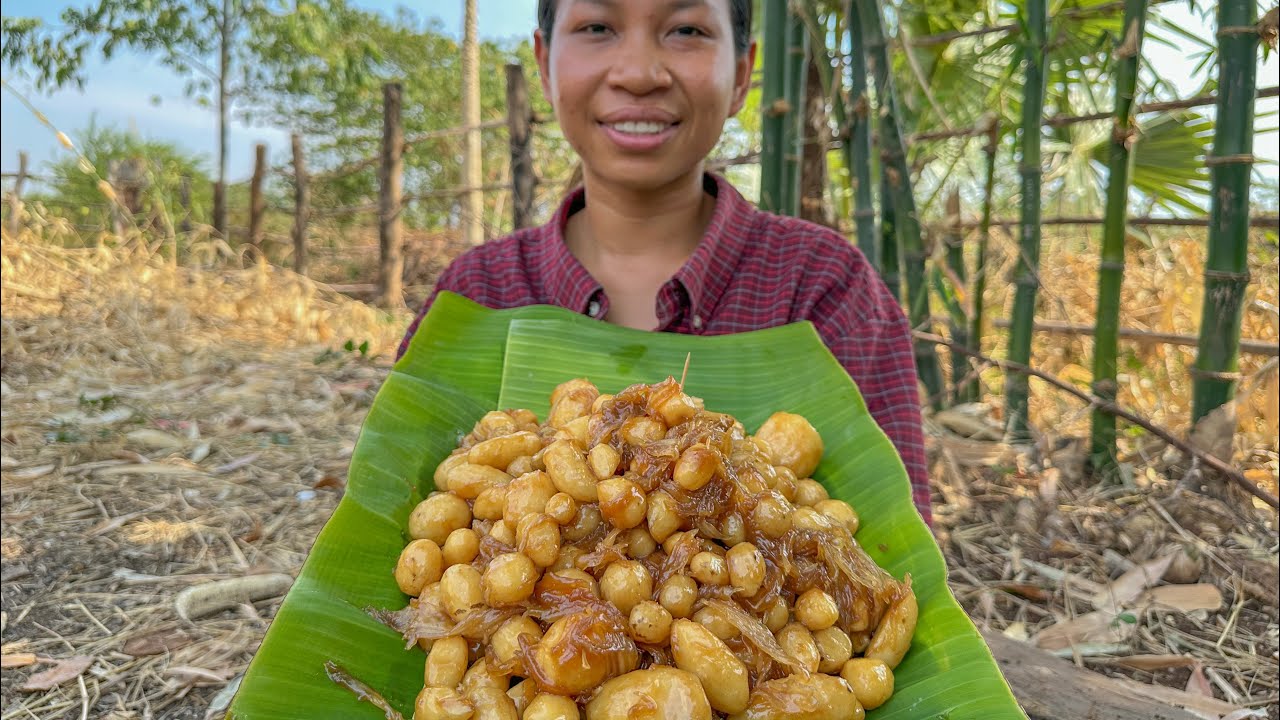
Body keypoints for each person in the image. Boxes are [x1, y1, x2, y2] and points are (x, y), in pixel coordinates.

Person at [397, 0, 931, 524]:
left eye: (687, 31)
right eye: (598, 25)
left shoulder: (827, 290)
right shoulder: (476, 292)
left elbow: (895, 567)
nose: (638, 73)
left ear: (742, 73)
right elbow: (399, 519)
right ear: (543, 64)